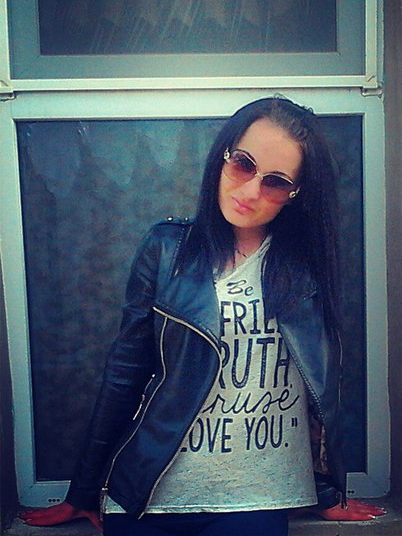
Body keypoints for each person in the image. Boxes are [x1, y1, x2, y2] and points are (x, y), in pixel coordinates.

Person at [20, 97, 384, 535]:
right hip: (147, 493)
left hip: (258, 497)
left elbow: (319, 388)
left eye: (275, 182)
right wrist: (83, 490)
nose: (250, 191)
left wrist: (327, 491)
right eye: (243, 165)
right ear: (223, 155)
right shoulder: (166, 249)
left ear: (295, 194)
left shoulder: (307, 264)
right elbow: (125, 373)